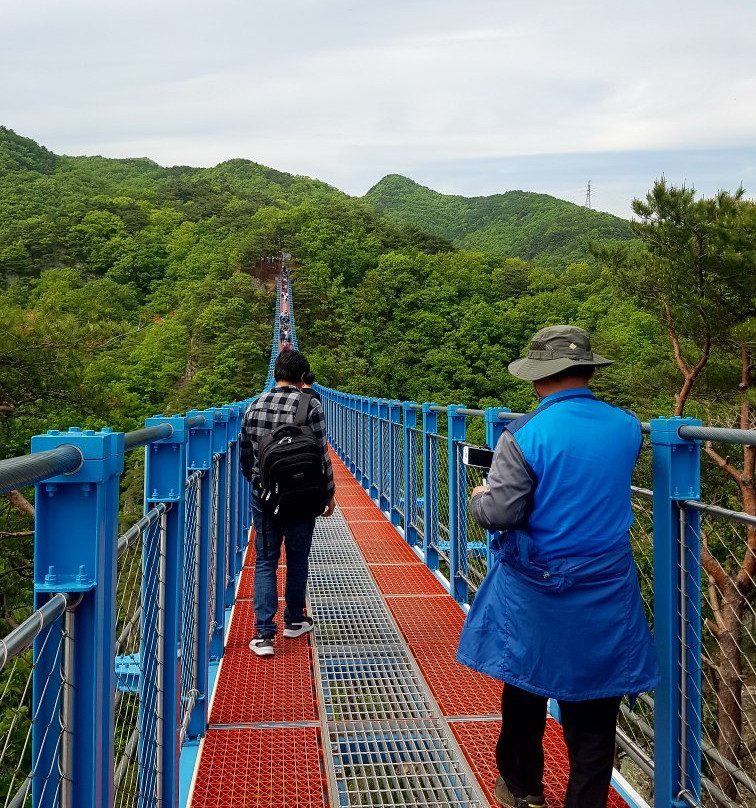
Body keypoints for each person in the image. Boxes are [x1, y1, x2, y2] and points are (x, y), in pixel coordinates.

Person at [456, 325, 659, 808]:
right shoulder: (628, 427)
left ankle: (522, 788)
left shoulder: (523, 436)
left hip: (536, 588)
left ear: (538, 380)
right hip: (606, 587)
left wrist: (479, 498)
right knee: (595, 709)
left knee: (525, 685)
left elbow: (504, 513)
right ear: (587, 372)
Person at [240, 350, 336, 657]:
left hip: (265, 496)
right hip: (302, 496)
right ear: (303, 377)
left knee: (266, 560)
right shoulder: (312, 405)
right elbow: (321, 455)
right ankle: (294, 620)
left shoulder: (253, 407)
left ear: (275, 373)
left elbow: (247, 457)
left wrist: (258, 484)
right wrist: (328, 494)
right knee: (297, 558)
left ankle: (264, 635)